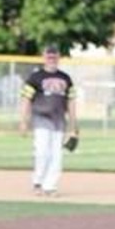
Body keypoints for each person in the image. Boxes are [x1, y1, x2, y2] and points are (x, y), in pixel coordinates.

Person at [19, 45, 78, 197]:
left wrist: (73, 125)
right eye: (49, 56)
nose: (51, 59)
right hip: (41, 118)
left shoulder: (66, 78)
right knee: (42, 152)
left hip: (59, 121)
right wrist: (24, 121)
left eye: (54, 56)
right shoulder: (35, 77)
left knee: (56, 155)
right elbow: (26, 99)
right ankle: (38, 182)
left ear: (59, 58)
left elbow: (71, 101)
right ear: (43, 58)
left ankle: (50, 186)